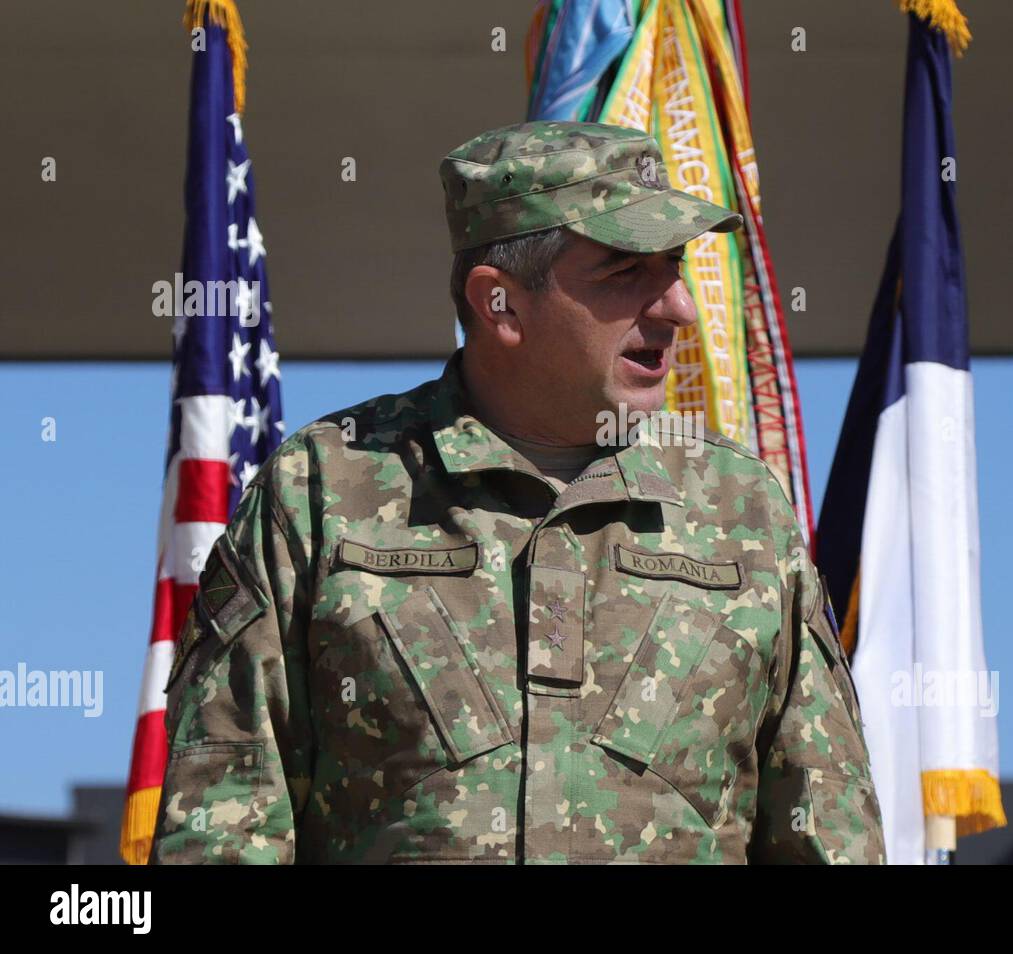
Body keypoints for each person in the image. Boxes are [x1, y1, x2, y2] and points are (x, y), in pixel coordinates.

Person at [150, 120, 885, 864]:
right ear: (499, 303)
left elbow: (828, 837)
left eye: (673, 265)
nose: (677, 308)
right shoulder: (321, 491)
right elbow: (221, 833)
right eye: (626, 270)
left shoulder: (744, 512)